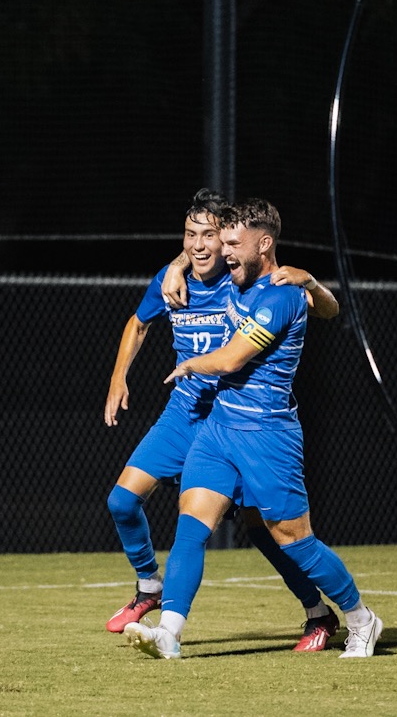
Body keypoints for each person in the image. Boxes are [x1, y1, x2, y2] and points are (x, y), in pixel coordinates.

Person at [124, 197, 382, 659]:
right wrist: (176, 265)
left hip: (267, 435)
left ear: (264, 245)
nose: (222, 252)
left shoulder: (281, 295)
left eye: (231, 243)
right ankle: (170, 632)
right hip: (219, 429)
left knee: (295, 542)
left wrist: (311, 280)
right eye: (221, 243)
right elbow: (198, 249)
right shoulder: (235, 280)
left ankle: (361, 619)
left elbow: (233, 357)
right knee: (190, 528)